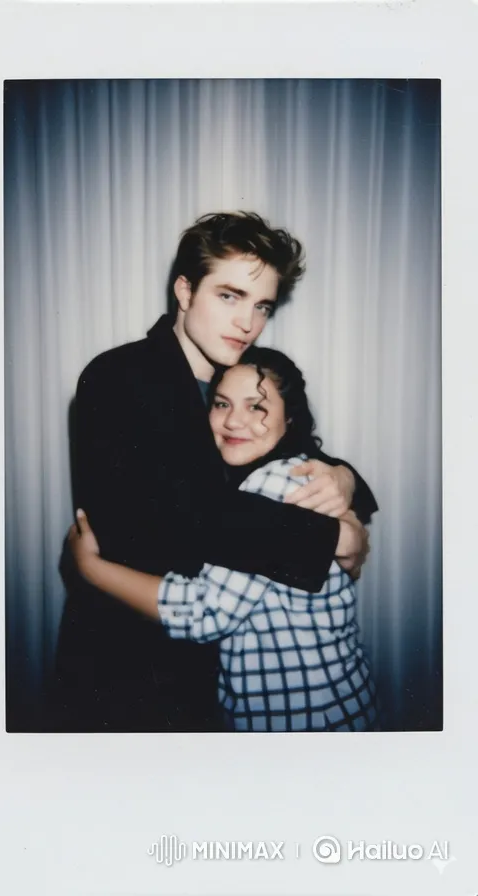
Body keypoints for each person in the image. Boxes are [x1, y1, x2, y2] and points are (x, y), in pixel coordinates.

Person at [54, 211, 377, 733]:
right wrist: (335, 535)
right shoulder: (121, 377)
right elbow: (191, 512)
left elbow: (289, 446)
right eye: (229, 296)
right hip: (132, 669)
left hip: (219, 685)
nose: (248, 322)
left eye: (262, 306)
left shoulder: (232, 382)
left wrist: (345, 479)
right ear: (185, 291)